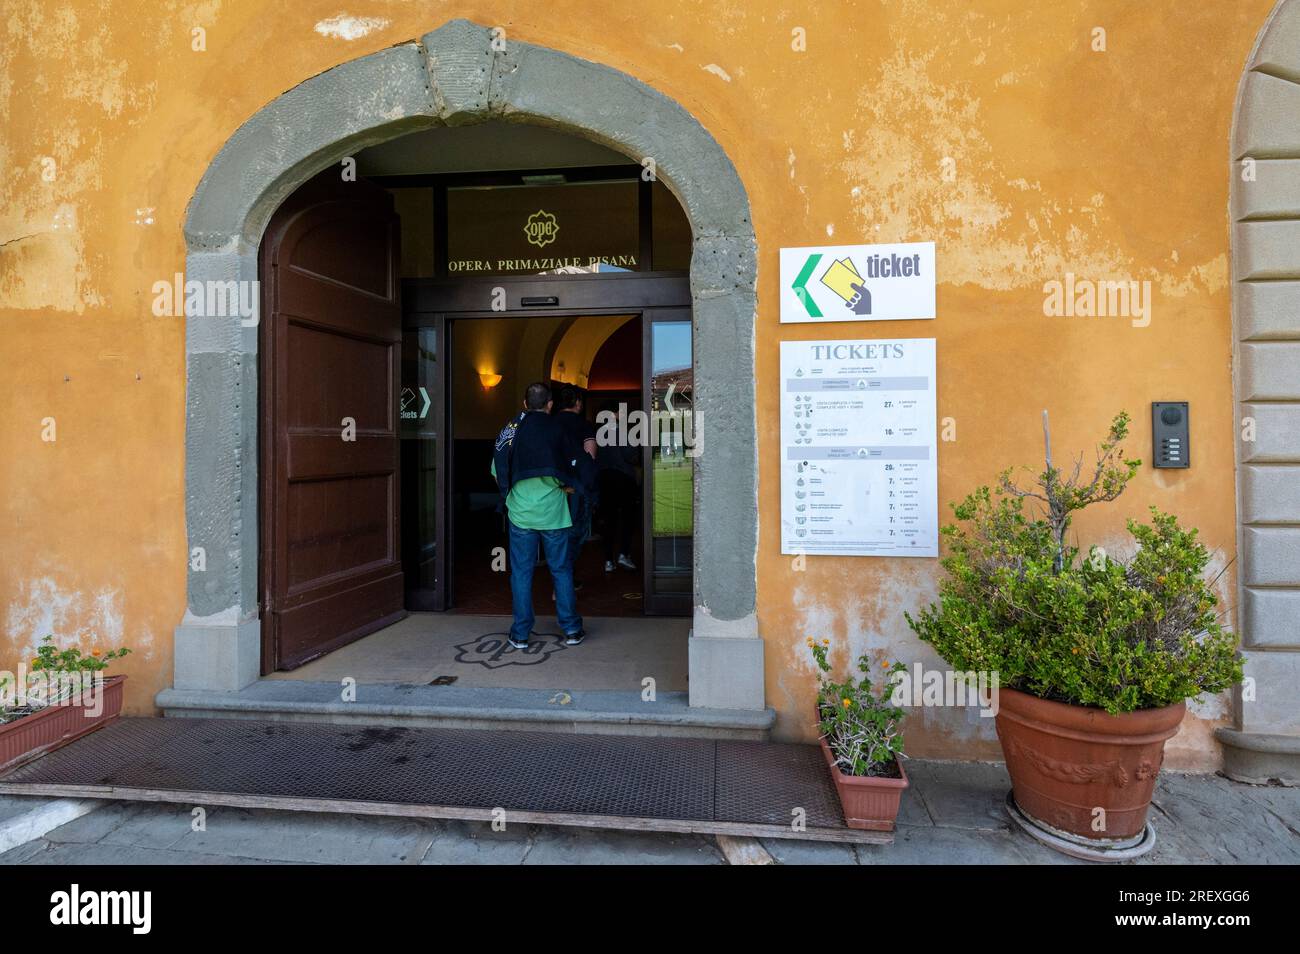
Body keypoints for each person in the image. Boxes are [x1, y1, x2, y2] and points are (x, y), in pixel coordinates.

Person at [491, 382, 585, 649]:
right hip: (554, 514)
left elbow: (498, 470)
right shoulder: (557, 430)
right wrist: (568, 486)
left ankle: (520, 634)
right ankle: (571, 630)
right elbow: (574, 467)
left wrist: (510, 495)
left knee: (521, 573)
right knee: (562, 570)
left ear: (524, 404)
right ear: (550, 404)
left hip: (521, 515)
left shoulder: (511, 430)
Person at [552, 385, 598, 594]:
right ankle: (562, 582)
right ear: (578, 402)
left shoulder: (549, 424)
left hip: (552, 488)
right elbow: (590, 456)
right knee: (575, 533)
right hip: (577, 488)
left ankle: (561, 578)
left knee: (555, 535)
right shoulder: (584, 425)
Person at [596, 402, 640, 574]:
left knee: (608, 520)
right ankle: (623, 554)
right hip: (623, 478)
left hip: (604, 478)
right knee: (628, 519)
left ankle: (608, 560)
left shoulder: (598, 431)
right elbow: (630, 455)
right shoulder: (622, 431)